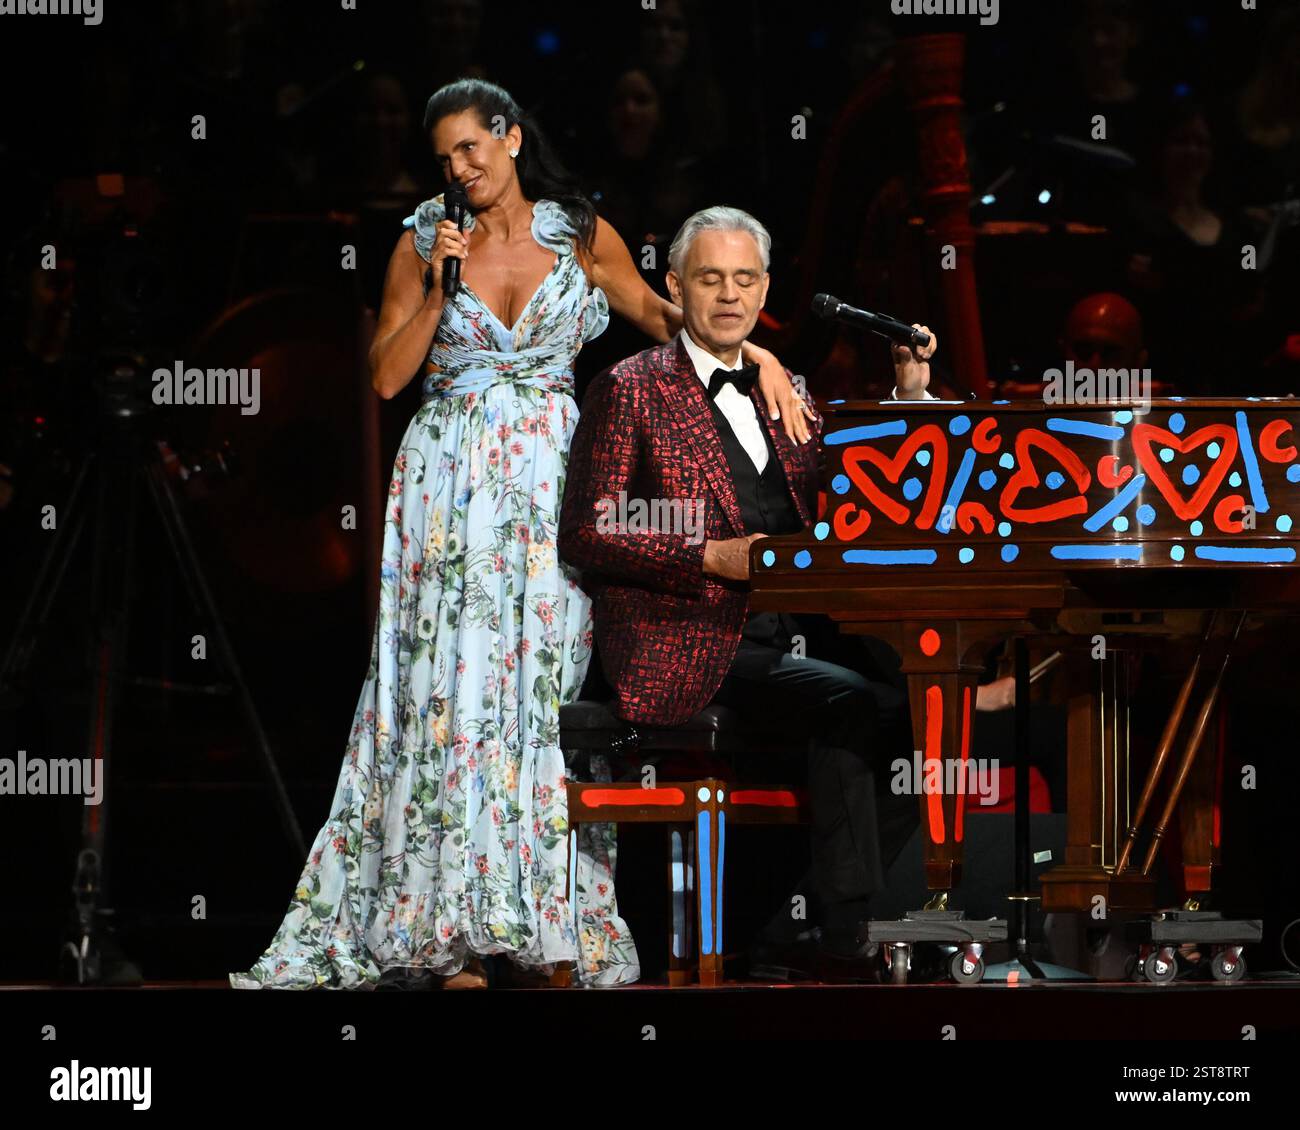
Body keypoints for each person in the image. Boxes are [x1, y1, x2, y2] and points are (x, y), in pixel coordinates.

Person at [228, 81, 809, 991]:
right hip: (447, 492)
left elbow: (669, 320)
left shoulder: (577, 230)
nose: (458, 169)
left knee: (541, 697)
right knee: (447, 695)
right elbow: (385, 377)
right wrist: (437, 289)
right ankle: (448, 929)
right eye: (444, 159)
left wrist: (760, 354)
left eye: (469, 148)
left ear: (508, 138)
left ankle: (541, 922)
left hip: (553, 487)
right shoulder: (422, 242)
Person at [558, 205, 956, 980]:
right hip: (684, 636)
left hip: (794, 630)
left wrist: (911, 400)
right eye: (710, 279)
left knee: (927, 715)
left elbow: (852, 493)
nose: (729, 295)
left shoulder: (787, 388)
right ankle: (844, 936)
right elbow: (589, 530)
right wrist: (707, 556)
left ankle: (795, 925)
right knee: (847, 701)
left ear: (765, 286)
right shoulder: (630, 389)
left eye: (745, 279)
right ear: (676, 285)